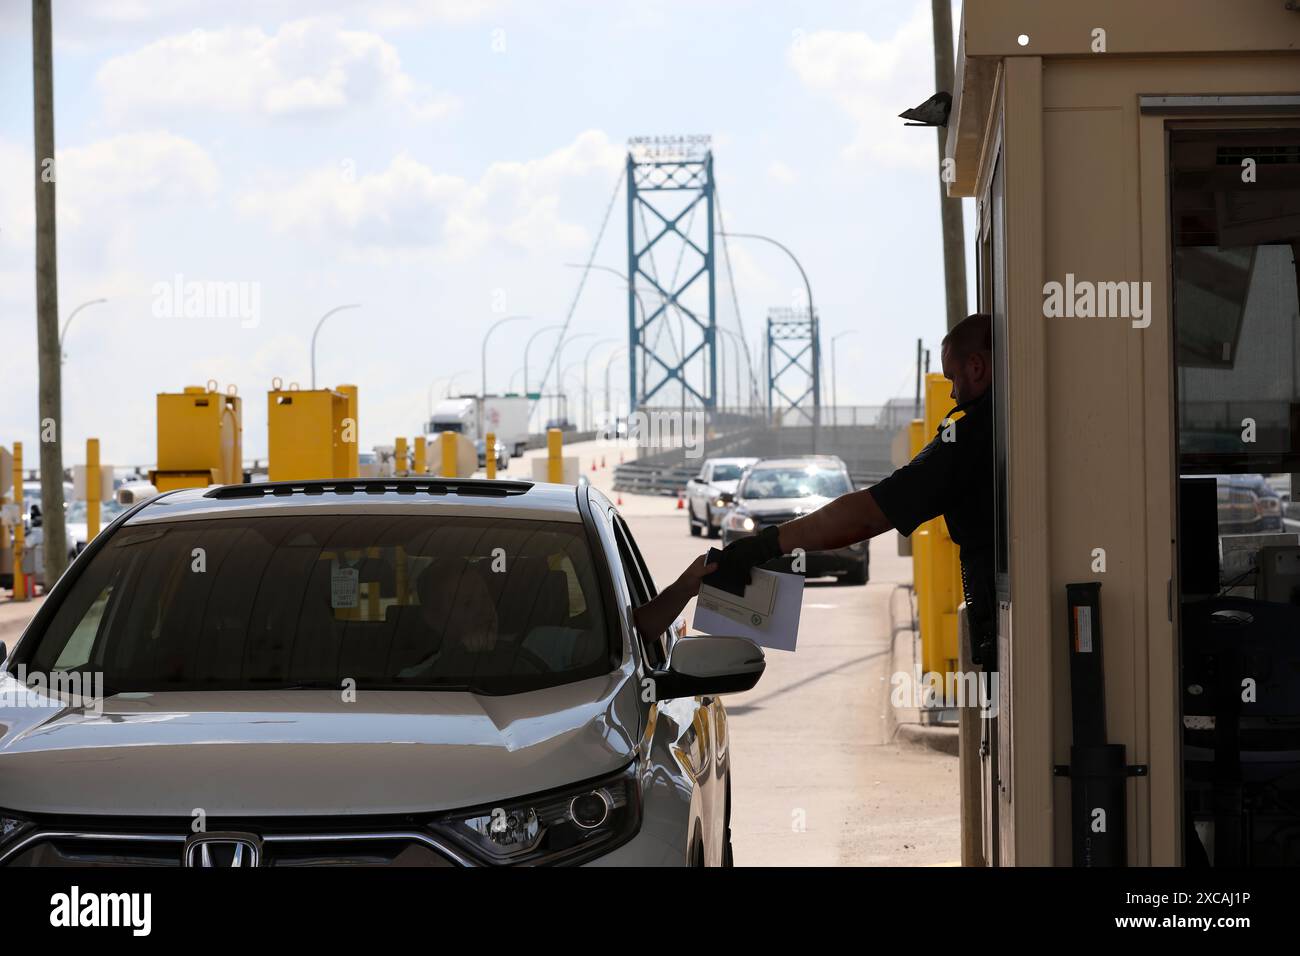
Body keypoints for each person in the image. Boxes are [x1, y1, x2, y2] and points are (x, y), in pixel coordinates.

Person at [711, 312, 998, 669]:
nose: (952, 392)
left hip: (1004, 632)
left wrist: (764, 545)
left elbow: (864, 517)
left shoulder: (969, 440)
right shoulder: (1001, 425)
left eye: (953, 378)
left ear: (976, 366)